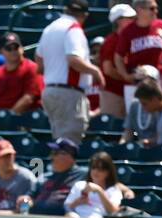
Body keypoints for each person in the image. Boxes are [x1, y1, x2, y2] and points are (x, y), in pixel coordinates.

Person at [39, 0, 105, 144]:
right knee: (69, 143)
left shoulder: (50, 28)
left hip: (49, 90)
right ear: (84, 15)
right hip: (68, 92)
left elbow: (39, 61)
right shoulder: (73, 28)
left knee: (59, 141)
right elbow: (73, 59)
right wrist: (95, 71)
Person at [114, 0, 162, 110]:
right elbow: (118, 57)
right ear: (139, 10)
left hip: (159, 80)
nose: (156, 11)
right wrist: (126, 75)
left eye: (156, 8)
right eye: (152, 8)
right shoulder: (128, 31)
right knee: (136, 116)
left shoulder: (161, 25)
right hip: (138, 81)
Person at [0, 32, 43, 114]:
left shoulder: (32, 68)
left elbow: (28, 98)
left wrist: (9, 117)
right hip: (2, 117)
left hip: (26, 117)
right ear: (2, 51)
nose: (13, 51)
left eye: (16, 47)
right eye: (9, 48)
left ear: (21, 48)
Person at [122, 75, 162, 145]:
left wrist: (146, 142)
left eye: (144, 104)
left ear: (155, 99)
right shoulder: (139, 105)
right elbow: (131, 132)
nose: (143, 108)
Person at [28, 138, 85, 215]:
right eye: (52, 153)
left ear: (70, 157)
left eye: (55, 153)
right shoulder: (43, 178)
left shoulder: (83, 175)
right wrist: (26, 200)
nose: (51, 157)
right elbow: (29, 197)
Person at [100, 4, 137, 117]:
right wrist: (127, 78)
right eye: (130, 18)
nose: (134, 20)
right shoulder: (111, 40)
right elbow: (108, 69)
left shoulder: (129, 39)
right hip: (113, 94)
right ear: (118, 21)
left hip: (128, 92)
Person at [65, 151, 125, 218]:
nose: (96, 171)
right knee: (71, 215)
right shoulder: (79, 185)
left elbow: (113, 212)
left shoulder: (113, 190)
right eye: (93, 167)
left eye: (101, 169)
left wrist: (99, 191)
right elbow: (66, 207)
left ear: (108, 172)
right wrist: (77, 202)